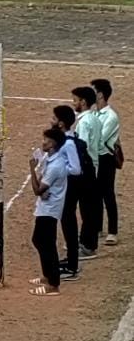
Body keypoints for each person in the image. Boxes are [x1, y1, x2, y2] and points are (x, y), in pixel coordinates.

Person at [29, 127, 69, 296]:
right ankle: (48, 276)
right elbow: (42, 187)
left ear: (52, 144)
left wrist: (32, 168)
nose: (42, 142)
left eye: (45, 140)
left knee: (46, 243)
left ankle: (54, 284)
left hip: (50, 209)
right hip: (45, 207)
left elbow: (38, 190)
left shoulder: (56, 166)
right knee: (39, 240)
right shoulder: (51, 159)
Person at [52, 105, 88, 281]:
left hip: (71, 187)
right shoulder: (65, 140)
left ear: (61, 123)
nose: (51, 120)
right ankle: (71, 261)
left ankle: (72, 267)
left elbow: (75, 169)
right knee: (67, 223)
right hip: (68, 187)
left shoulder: (68, 144)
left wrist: (59, 169)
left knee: (69, 224)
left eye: (54, 118)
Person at [72, 85, 105, 259]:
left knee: (87, 209)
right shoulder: (94, 118)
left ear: (83, 102)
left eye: (75, 100)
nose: (74, 104)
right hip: (93, 165)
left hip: (86, 169)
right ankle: (87, 242)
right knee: (89, 207)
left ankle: (88, 246)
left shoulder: (84, 122)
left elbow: (82, 147)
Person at [92, 76, 121, 245]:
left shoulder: (110, 116)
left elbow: (99, 138)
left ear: (101, 94)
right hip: (96, 157)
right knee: (95, 193)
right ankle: (97, 227)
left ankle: (112, 231)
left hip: (106, 159)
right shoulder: (95, 113)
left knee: (108, 194)